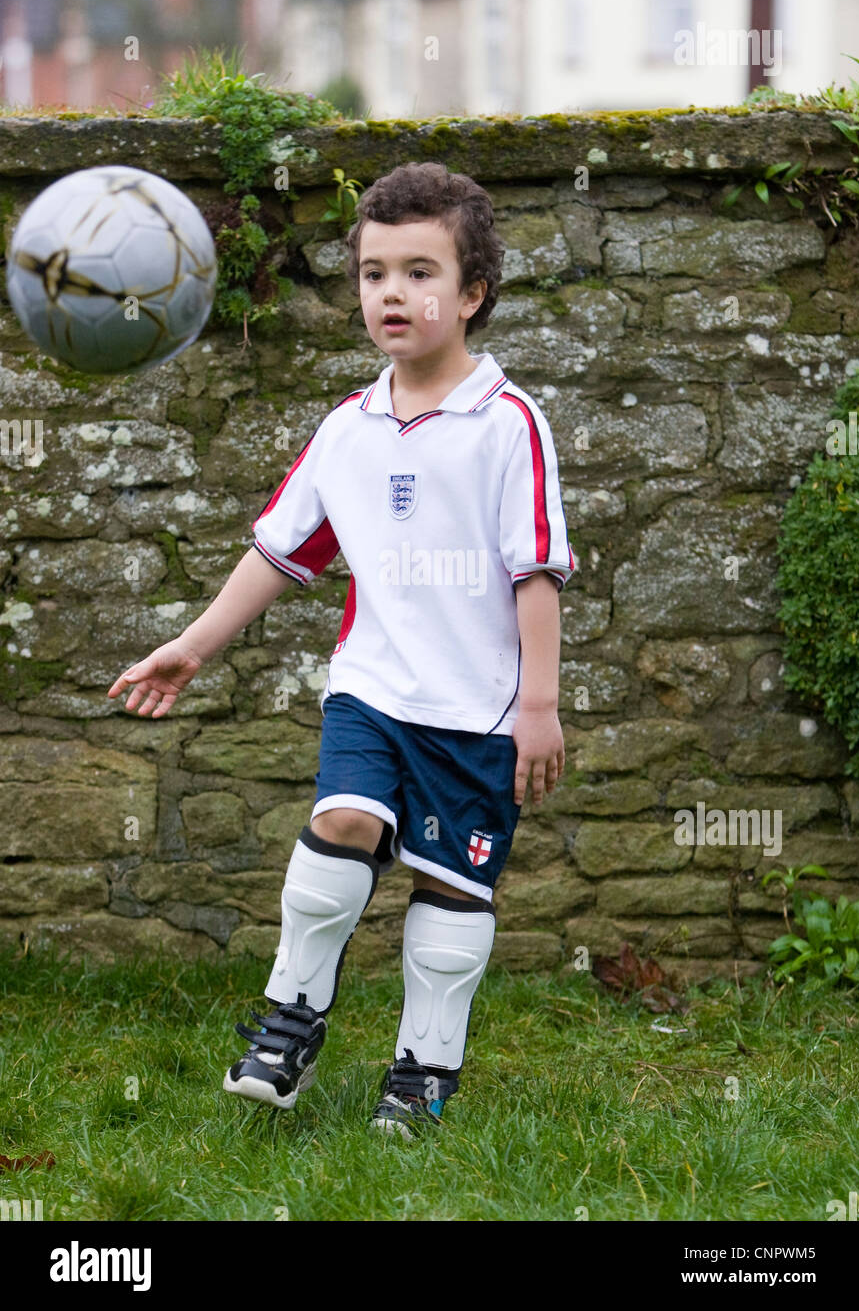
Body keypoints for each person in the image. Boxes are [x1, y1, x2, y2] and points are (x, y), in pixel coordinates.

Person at [107, 160, 576, 1140]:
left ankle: (423, 1071)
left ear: (473, 292)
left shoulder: (507, 426)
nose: (391, 293)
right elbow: (279, 552)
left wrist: (537, 703)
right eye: (372, 273)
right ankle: (287, 1020)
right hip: (369, 690)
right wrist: (190, 647)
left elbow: (535, 570)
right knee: (344, 816)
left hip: (477, 712)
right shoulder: (345, 431)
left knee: (452, 892)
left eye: (418, 271)